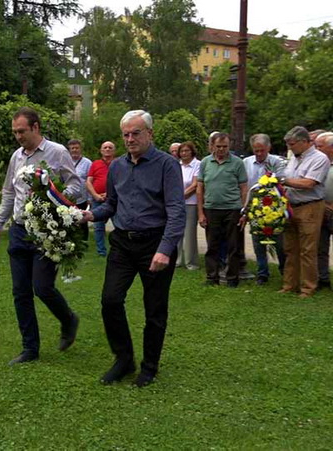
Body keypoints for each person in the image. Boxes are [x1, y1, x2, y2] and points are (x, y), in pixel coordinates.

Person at [81, 110, 185, 388]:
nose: (130, 139)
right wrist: (93, 215)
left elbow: (176, 211)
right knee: (110, 300)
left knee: (155, 309)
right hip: (123, 244)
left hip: (155, 244)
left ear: (150, 133)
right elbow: (112, 204)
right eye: (125, 134)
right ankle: (123, 358)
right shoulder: (117, 167)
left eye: (135, 133)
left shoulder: (167, 165)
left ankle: (149, 366)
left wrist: (165, 249)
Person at [0, 107, 82, 366]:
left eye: (22, 131)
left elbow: (75, 186)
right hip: (19, 230)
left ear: (36, 127)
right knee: (20, 292)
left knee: (42, 287)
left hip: (46, 230)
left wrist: (52, 192)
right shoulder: (16, 157)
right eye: (15, 132)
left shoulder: (57, 152)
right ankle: (30, 348)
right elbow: (9, 192)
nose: (18, 136)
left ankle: (68, 319)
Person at [279, 126, 329, 298]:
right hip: (291, 207)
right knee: (290, 248)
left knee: (308, 249)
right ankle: (289, 285)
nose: (290, 148)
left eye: (292, 144)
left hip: (310, 207)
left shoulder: (319, 158)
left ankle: (308, 287)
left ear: (304, 141)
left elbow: (309, 183)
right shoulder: (293, 158)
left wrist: (283, 180)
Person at [197, 132, 248, 287]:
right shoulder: (205, 162)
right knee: (212, 246)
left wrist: (244, 211)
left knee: (233, 246)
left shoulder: (238, 163)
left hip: (232, 209)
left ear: (229, 146)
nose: (221, 149)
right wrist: (200, 213)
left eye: (224, 146)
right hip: (211, 209)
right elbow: (200, 189)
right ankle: (212, 277)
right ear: (212, 146)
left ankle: (232, 278)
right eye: (218, 146)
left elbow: (244, 188)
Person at [242, 134, 287, 285]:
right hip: (254, 208)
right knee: (257, 242)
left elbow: (280, 182)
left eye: (262, 150)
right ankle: (262, 273)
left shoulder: (278, 162)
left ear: (269, 148)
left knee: (279, 242)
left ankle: (285, 270)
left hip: (274, 208)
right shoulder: (246, 162)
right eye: (256, 151)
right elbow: (244, 186)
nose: (259, 154)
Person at [86, 141, 115, 257]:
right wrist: (95, 195)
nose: (107, 149)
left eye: (110, 147)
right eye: (105, 147)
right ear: (101, 150)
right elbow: (88, 182)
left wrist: (109, 194)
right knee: (98, 227)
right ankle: (101, 251)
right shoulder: (95, 164)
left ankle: (117, 250)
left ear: (114, 151)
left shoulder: (119, 163)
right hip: (97, 199)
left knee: (118, 225)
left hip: (114, 199)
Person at [177, 141, 201, 270]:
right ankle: (177, 260)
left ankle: (191, 262)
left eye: (187, 151)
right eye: (182, 151)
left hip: (191, 203)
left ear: (192, 151)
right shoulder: (177, 165)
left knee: (189, 232)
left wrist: (180, 196)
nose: (184, 153)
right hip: (176, 203)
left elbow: (195, 184)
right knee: (177, 231)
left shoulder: (198, 164)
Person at [315, 132, 333, 291]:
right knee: (321, 247)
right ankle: (323, 279)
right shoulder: (320, 164)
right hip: (322, 210)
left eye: (320, 146)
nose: (317, 149)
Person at [68, 139, 92, 241]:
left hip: (82, 197)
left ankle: (83, 241)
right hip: (68, 197)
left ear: (80, 149)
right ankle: (70, 240)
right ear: (69, 150)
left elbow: (90, 181)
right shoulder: (65, 161)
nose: (74, 150)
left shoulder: (87, 163)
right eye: (72, 148)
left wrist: (90, 198)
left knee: (82, 219)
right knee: (68, 219)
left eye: (76, 148)